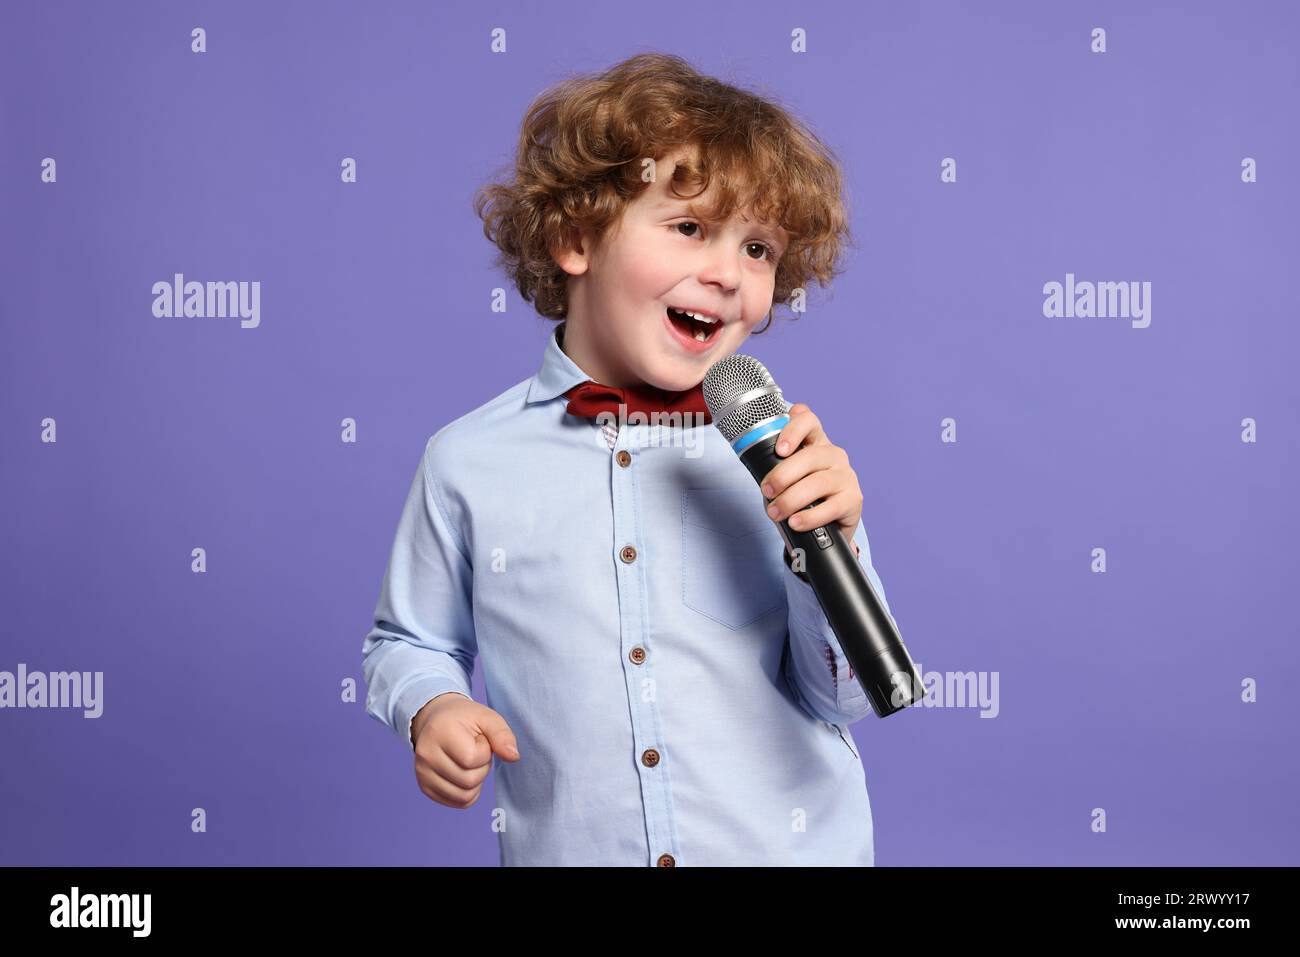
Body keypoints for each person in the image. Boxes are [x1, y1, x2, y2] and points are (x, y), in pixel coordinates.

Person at [362, 52, 900, 866]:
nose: (727, 274)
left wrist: (832, 540)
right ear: (576, 236)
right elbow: (406, 638)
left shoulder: (778, 455)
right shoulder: (467, 461)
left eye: (759, 249)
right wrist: (431, 704)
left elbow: (846, 696)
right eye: (690, 227)